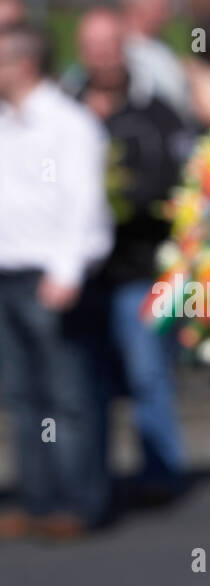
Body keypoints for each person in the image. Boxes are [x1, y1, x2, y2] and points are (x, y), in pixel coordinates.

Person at [70, 4, 191, 505]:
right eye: (92, 45)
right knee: (84, 382)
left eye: (110, 44)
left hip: (141, 269)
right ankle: (88, 483)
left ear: (124, 48)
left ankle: (160, 474)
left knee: (147, 374)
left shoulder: (155, 111)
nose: (102, 54)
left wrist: (119, 196)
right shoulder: (64, 106)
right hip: (81, 273)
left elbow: (175, 182)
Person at [0, 20, 114, 540]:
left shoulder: (69, 124)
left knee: (69, 395)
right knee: (24, 396)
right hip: (9, 272)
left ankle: (78, 499)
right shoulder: (6, 122)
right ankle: (38, 497)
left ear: (24, 65)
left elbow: (84, 203)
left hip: (52, 276)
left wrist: (66, 271)